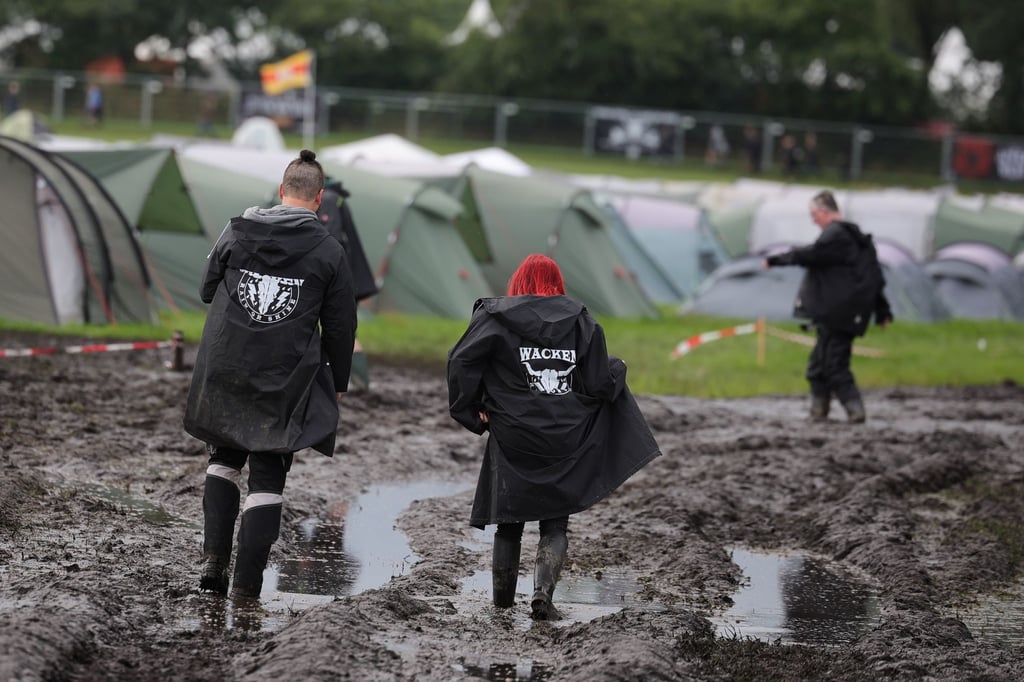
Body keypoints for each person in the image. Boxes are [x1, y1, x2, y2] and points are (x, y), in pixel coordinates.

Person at [184, 149, 357, 601]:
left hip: (227, 366)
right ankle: (245, 588)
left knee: (223, 459)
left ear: (281, 192)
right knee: (267, 478)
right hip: (285, 379)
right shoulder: (330, 250)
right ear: (319, 200)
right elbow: (341, 328)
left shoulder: (236, 229)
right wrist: (338, 383)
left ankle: (213, 562)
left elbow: (206, 289)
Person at [447, 254, 660, 620]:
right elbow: (597, 384)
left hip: (511, 433)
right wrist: (617, 370)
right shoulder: (580, 321)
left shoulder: (494, 317)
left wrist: (471, 410)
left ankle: (501, 605)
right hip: (563, 437)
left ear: (518, 282)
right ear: (557, 283)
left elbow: (460, 361)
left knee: (509, 520)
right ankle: (542, 595)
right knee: (555, 522)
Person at [762, 190, 892, 423]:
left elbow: (811, 254)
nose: (812, 220)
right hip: (840, 313)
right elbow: (875, 278)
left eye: (813, 214)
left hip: (838, 312)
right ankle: (819, 410)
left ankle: (855, 411)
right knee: (818, 364)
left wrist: (775, 260)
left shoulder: (836, 235)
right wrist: (882, 310)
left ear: (824, 211)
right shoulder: (859, 240)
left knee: (834, 365)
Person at [318, 179, 379, 390]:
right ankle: (357, 381)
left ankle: (359, 382)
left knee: (344, 331)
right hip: (349, 277)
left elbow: (330, 238)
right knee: (345, 330)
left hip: (341, 279)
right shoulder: (337, 198)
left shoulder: (327, 199)